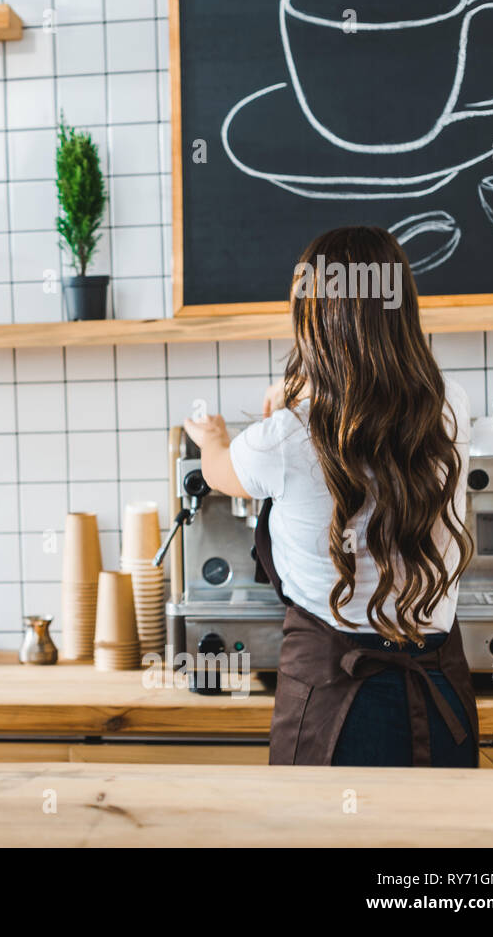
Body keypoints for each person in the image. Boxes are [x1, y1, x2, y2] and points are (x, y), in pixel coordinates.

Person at [183, 226, 478, 767]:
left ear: (311, 319)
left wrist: (212, 439)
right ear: (402, 306)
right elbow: (371, 413)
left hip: (332, 708)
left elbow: (223, 474)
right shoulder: (451, 407)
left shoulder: (284, 437)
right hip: (438, 703)